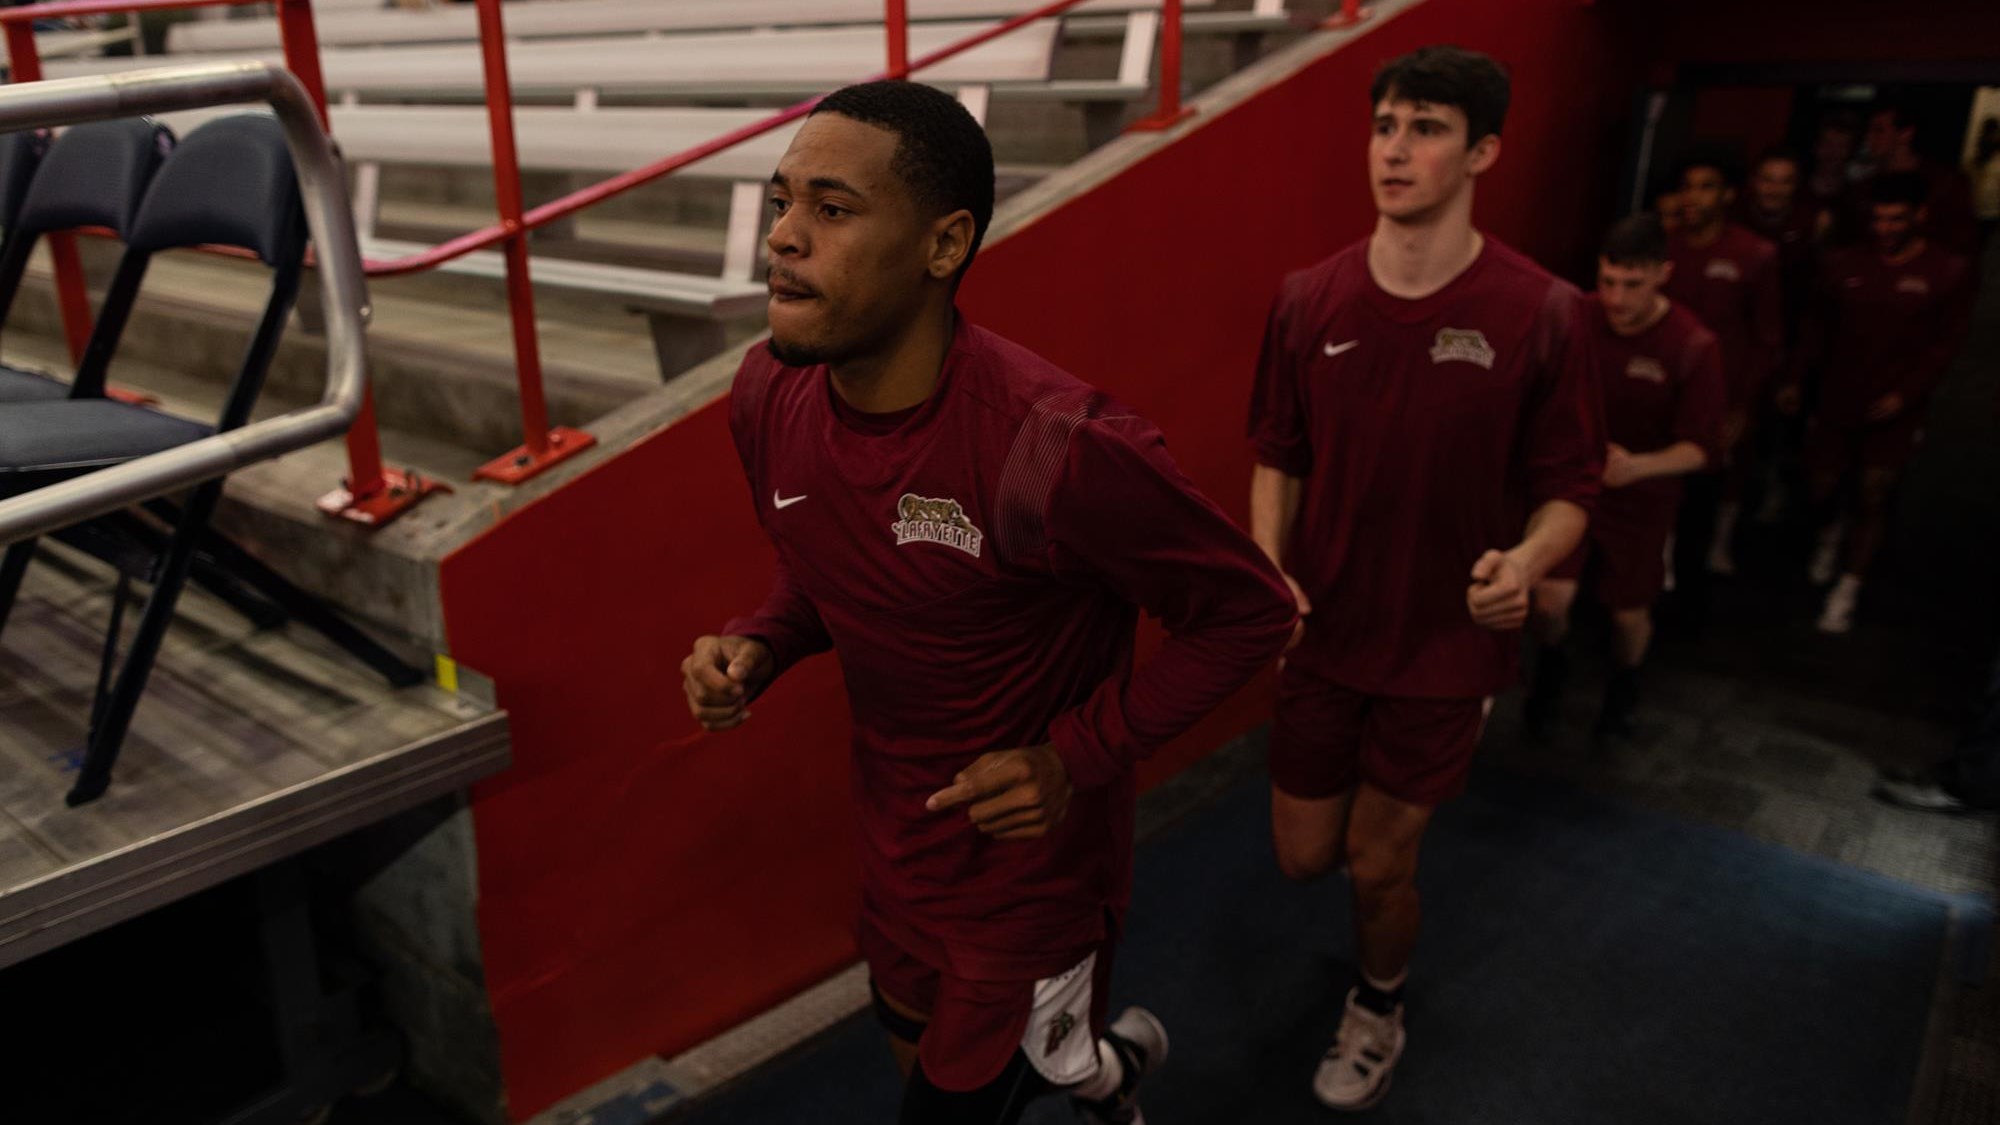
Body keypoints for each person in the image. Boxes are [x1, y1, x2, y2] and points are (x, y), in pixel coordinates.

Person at [681, 81, 1297, 1125]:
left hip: (1031, 881)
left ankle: (1084, 1068)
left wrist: (1076, 757)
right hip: (894, 844)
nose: (780, 237)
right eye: (781, 200)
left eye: (829, 210)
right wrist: (761, 643)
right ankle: (1102, 1078)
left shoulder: (1056, 447)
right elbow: (823, 566)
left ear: (942, 244)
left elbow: (1250, 614)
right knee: (915, 1050)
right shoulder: (765, 394)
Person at [1246, 45, 1602, 1112]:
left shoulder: (1542, 311)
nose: (1394, 150)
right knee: (1302, 854)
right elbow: (1277, 456)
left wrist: (1527, 563)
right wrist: (1267, 569)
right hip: (1325, 637)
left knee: (1375, 866)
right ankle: (1366, 935)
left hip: (1444, 649)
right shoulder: (1306, 300)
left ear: (1481, 150)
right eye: (1384, 125)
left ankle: (1377, 1008)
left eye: (1426, 128)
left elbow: (1570, 489)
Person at [1525, 214, 1725, 740]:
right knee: (1548, 597)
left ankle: (1623, 687)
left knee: (1627, 614)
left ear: (1662, 274)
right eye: (1608, 281)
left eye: (1631, 285)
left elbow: (1703, 449)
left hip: (1642, 498)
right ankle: (1550, 672)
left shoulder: (1691, 345)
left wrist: (1639, 465)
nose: (1615, 298)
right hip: (1573, 485)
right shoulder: (1576, 316)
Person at [1778, 172, 1973, 633]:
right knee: (1820, 487)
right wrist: (1794, 380)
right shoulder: (1844, 264)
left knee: (1874, 493)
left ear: (1919, 217)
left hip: (1894, 407)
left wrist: (1907, 393)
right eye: (1878, 218)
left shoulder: (1946, 271)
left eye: (1896, 219)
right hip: (1836, 396)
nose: (1885, 228)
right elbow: (1815, 329)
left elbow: (1945, 346)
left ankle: (1848, 587)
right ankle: (1830, 532)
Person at [1663, 149, 1781, 582]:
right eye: (1687, 187)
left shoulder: (1753, 253)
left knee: (1705, 491)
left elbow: (1767, 338)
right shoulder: (1664, 246)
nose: (1694, 196)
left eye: (1706, 187)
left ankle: (1700, 568)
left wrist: (1743, 405)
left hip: (1720, 393)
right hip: (1664, 389)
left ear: (1728, 195)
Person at [1853, 100, 1979, 258]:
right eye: (1869, 130)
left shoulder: (1946, 183)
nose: (1869, 138)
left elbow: (1961, 242)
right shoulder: (1865, 186)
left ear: (1906, 133)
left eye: (1879, 130)